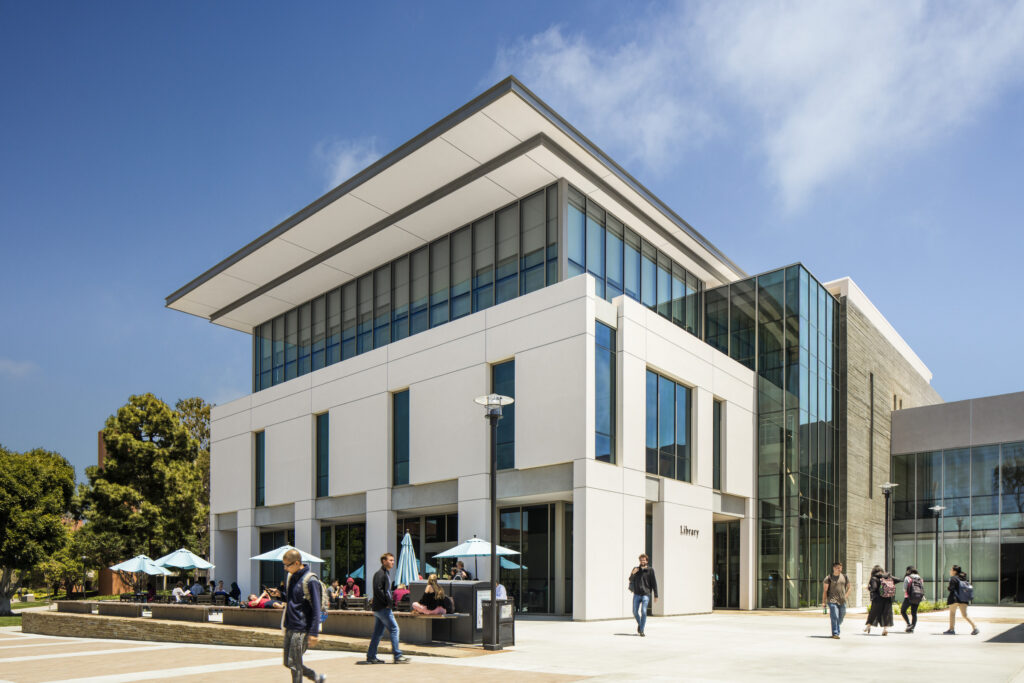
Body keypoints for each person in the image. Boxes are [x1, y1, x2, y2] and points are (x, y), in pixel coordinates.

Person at [281, 548, 326, 683]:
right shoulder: (292, 578)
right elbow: (293, 601)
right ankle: (316, 677)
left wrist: (314, 633)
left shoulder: (311, 580)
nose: (285, 568)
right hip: (290, 626)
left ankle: (314, 678)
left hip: (301, 629)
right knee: (288, 662)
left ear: (296, 563)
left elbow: (317, 607)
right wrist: (280, 595)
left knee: (294, 664)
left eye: (287, 565)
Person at [365, 552, 410, 664]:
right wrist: (386, 603)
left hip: (380, 608)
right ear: (384, 561)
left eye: (393, 560)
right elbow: (378, 590)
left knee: (378, 633)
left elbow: (383, 591)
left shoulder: (385, 573)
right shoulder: (380, 574)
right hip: (382, 608)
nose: (392, 562)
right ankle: (397, 655)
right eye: (390, 560)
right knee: (395, 629)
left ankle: (371, 656)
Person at [628, 553, 658, 637]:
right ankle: (640, 624)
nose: (642, 561)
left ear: (647, 561)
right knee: (634, 612)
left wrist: (656, 595)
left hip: (646, 594)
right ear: (639, 561)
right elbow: (630, 579)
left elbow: (654, 583)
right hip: (637, 594)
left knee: (644, 611)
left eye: (644, 560)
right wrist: (633, 573)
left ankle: (641, 630)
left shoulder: (650, 570)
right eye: (641, 560)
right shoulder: (636, 569)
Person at [944, 564, 979, 635]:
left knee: (952, 614)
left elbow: (951, 588)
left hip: (955, 599)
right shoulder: (963, 578)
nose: (950, 571)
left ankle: (951, 629)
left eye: (951, 569)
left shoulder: (953, 578)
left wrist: (948, 587)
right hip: (964, 599)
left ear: (954, 571)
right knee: (965, 615)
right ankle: (975, 627)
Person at [821, 561, 851, 639]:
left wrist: (846, 596)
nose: (840, 569)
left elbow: (849, 588)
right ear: (834, 568)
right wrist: (823, 602)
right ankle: (835, 633)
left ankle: (837, 626)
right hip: (832, 600)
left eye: (840, 568)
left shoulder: (845, 577)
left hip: (842, 601)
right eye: (838, 568)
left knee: (841, 616)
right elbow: (825, 591)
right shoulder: (828, 578)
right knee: (835, 616)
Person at [864, 565, 895, 635]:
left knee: (873, 613)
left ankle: (868, 626)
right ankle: (885, 629)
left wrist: (868, 588)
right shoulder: (887, 577)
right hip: (887, 598)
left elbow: (874, 588)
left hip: (877, 599)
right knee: (886, 614)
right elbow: (898, 580)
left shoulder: (874, 578)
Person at [901, 566, 924, 633]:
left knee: (903, 611)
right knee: (914, 613)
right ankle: (912, 627)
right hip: (918, 597)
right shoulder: (920, 578)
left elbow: (904, 589)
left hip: (908, 597)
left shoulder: (907, 578)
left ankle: (909, 624)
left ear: (908, 571)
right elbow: (922, 589)